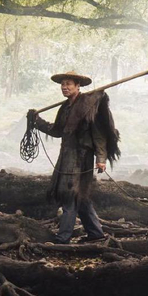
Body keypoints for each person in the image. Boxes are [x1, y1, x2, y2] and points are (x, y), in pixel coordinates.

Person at [27, 70, 120, 244]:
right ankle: (96, 233)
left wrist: (101, 159)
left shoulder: (88, 106)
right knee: (81, 197)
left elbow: (99, 135)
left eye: (68, 84)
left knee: (69, 194)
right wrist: (36, 121)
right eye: (63, 84)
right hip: (67, 155)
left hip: (82, 156)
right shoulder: (65, 108)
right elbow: (57, 131)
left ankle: (63, 238)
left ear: (78, 86)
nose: (65, 87)